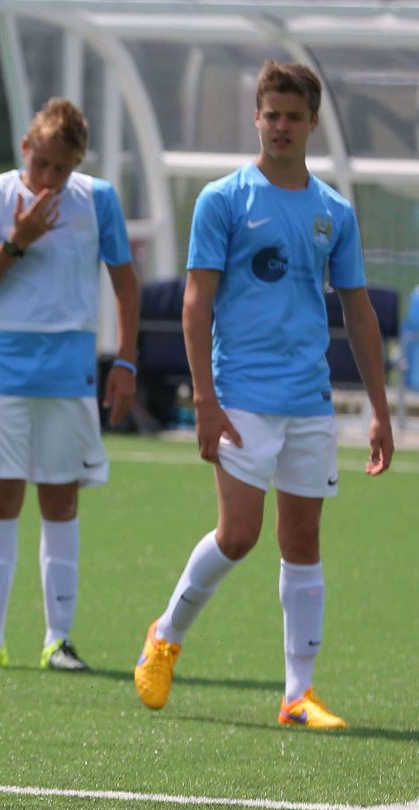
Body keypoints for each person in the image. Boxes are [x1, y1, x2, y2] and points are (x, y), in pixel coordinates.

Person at [134, 62, 393, 729]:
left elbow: (359, 315)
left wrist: (380, 413)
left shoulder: (333, 211)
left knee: (303, 540)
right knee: (240, 534)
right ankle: (165, 635)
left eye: (294, 116)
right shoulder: (223, 200)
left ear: (312, 121)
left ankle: (297, 696)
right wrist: (206, 400)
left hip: (309, 400)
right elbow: (197, 303)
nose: (281, 126)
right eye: (270, 114)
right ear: (257, 117)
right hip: (240, 394)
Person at [0, 98, 139, 672]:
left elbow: (126, 285)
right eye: (43, 163)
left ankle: (59, 640)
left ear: (78, 164)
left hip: (71, 371)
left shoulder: (98, 199)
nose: (50, 178)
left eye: (64, 168)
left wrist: (126, 362)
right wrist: (17, 241)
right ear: (26, 148)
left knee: (60, 497)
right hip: (5, 365)